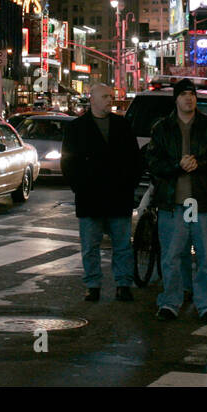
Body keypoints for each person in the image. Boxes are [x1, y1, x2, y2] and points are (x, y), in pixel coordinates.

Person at [145, 78, 207, 322]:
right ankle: (170, 302)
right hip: (173, 202)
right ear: (176, 99)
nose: (188, 98)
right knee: (171, 256)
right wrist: (177, 165)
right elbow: (153, 162)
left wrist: (199, 163)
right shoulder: (162, 128)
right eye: (183, 94)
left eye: (191, 94)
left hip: (203, 201)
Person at [61, 83, 143, 302]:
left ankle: (123, 284)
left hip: (118, 195)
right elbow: (68, 162)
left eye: (110, 96)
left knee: (122, 245)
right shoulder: (77, 127)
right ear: (93, 99)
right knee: (90, 245)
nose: (110, 100)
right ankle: (93, 284)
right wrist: (79, 187)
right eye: (105, 96)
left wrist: (129, 184)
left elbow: (135, 159)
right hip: (90, 196)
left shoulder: (122, 125)